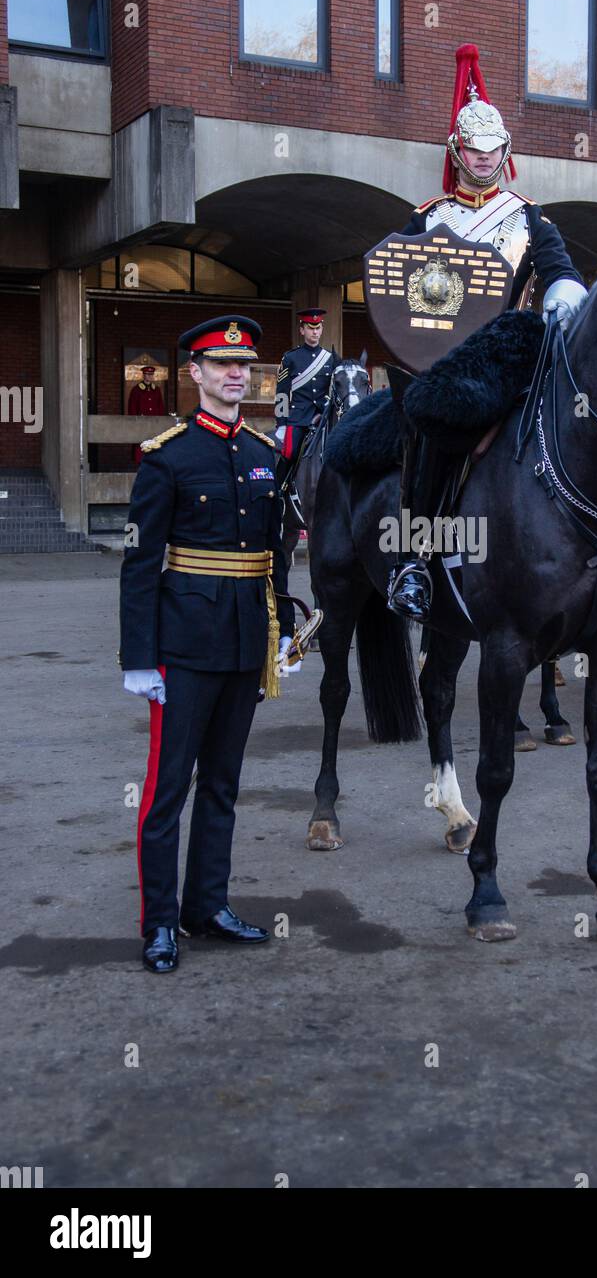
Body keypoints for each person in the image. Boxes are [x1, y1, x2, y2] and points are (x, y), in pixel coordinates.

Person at [386, 43, 589, 621]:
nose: (483, 158)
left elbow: (562, 274)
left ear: (506, 151)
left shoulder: (530, 217)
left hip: (515, 356)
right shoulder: (428, 218)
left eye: (493, 148)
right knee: (432, 433)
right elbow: (397, 292)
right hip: (449, 360)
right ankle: (415, 563)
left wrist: (562, 299)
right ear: (457, 151)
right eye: (472, 149)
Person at [120, 315, 296, 975]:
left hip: (247, 639)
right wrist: (139, 659)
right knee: (169, 789)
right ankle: (160, 922)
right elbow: (140, 566)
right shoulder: (167, 455)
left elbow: (273, 555)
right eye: (220, 363)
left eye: (243, 365)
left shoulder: (261, 454)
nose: (234, 373)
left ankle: (207, 907)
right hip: (184, 645)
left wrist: (280, 630)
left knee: (223, 784)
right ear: (193, 373)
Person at [273, 308, 337, 482]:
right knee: (290, 453)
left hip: (323, 416)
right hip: (299, 417)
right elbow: (282, 393)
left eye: (318, 328)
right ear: (302, 330)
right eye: (311, 328)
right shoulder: (290, 358)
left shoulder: (330, 358)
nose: (315, 332)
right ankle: (279, 491)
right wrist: (281, 424)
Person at [127, 363, 166, 466]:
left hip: (154, 424)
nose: (149, 376)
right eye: (147, 374)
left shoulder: (156, 390)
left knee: (154, 444)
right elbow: (132, 408)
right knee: (140, 448)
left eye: (151, 374)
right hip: (141, 424)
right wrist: (134, 422)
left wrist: (160, 421)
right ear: (143, 375)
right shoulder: (136, 390)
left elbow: (160, 407)